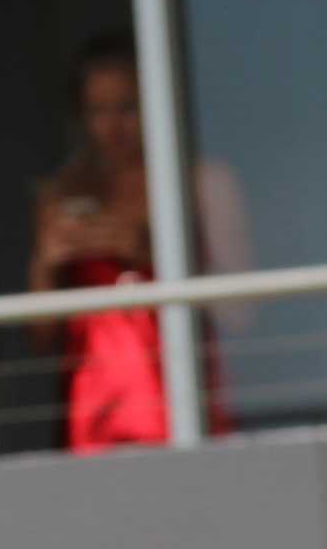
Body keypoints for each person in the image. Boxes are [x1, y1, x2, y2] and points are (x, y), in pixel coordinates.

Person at [26, 31, 252, 451]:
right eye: (97, 111)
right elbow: (41, 340)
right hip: (94, 415)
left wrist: (153, 255)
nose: (113, 128)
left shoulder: (202, 181)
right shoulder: (62, 192)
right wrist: (47, 262)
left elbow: (241, 313)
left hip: (182, 406)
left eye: (127, 108)